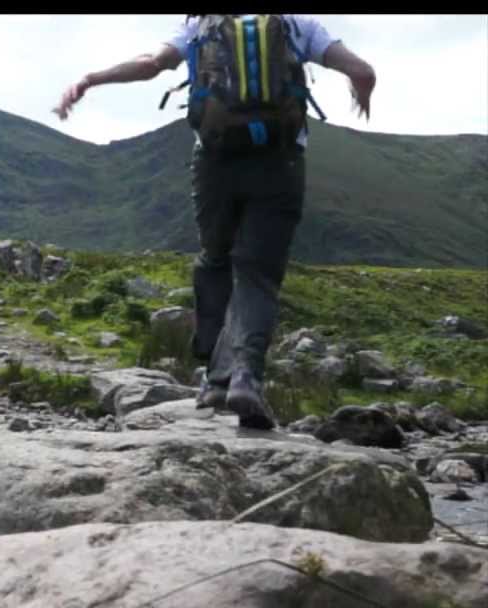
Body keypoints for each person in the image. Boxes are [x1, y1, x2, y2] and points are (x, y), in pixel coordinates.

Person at [52, 14, 376, 429]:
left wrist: (90, 79)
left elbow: (153, 63)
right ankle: (245, 377)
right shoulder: (298, 25)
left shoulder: (201, 25)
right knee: (257, 275)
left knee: (215, 260)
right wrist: (360, 93)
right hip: (280, 163)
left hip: (216, 163)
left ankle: (214, 376)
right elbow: (362, 71)